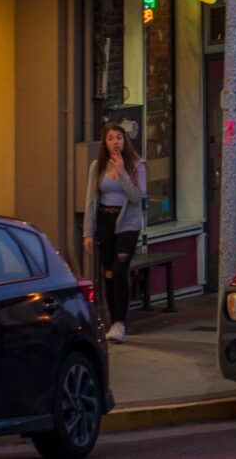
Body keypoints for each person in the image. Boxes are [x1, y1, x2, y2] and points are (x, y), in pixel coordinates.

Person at [82, 122, 148, 341]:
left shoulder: (137, 165)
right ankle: (113, 322)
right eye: (110, 138)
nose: (115, 142)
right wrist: (88, 232)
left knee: (120, 269)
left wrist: (122, 174)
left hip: (127, 222)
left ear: (125, 140)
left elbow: (137, 198)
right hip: (105, 221)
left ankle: (120, 322)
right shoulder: (97, 166)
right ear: (105, 142)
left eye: (119, 138)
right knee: (109, 273)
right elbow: (91, 200)